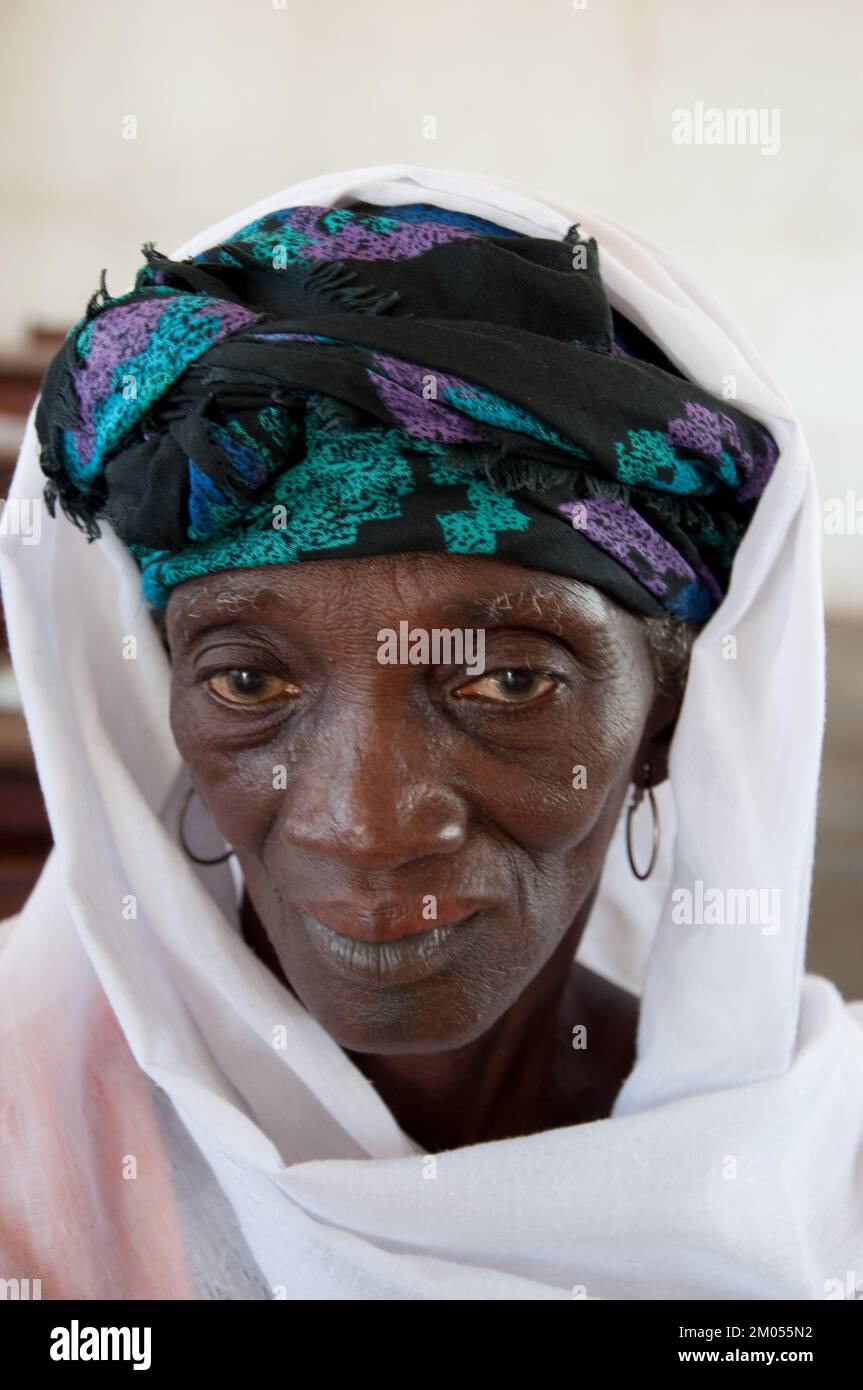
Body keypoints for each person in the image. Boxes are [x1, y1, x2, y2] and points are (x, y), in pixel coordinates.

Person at [0, 163, 860, 1301]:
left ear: (667, 717)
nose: (361, 822)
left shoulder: (817, 1180)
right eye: (250, 678)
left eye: (506, 682)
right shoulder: (28, 1130)